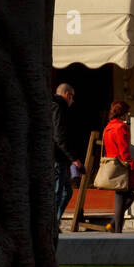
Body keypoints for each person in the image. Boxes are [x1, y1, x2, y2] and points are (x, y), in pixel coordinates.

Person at [103, 100, 134, 233]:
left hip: (112, 164)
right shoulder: (121, 127)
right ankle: (117, 231)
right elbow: (124, 150)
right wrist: (131, 164)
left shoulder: (108, 127)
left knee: (126, 197)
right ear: (123, 113)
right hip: (121, 166)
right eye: (127, 112)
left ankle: (114, 225)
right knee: (122, 199)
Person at [52, 83, 81, 227]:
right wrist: (73, 159)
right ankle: (52, 226)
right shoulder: (58, 108)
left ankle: (54, 223)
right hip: (57, 157)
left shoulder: (55, 106)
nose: (73, 101)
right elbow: (59, 137)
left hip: (59, 157)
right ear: (67, 95)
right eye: (72, 97)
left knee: (66, 192)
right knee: (58, 192)